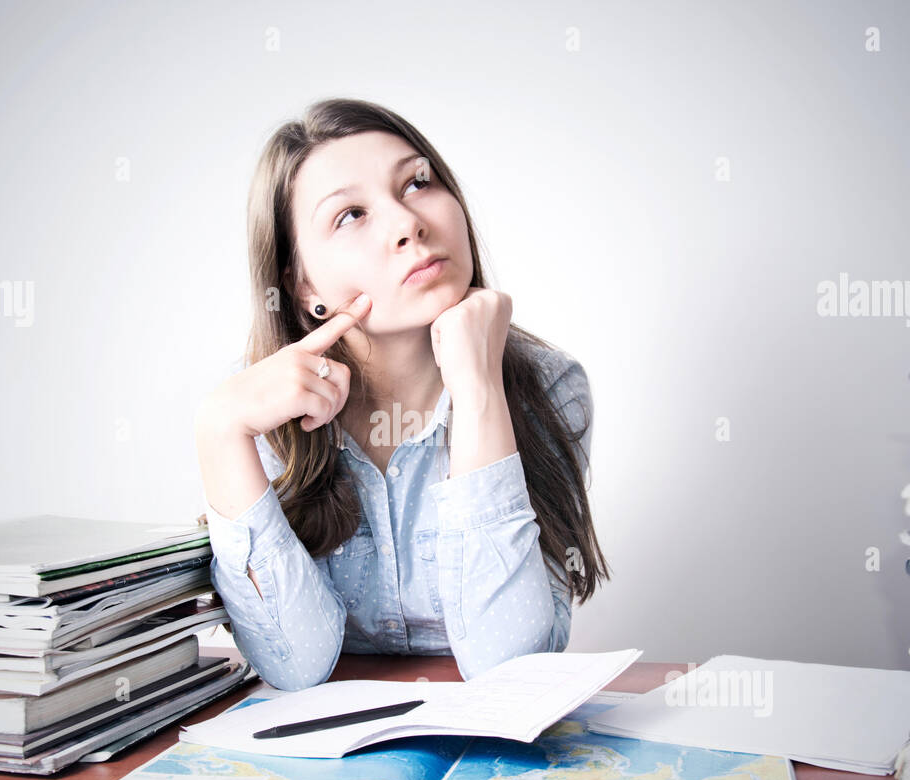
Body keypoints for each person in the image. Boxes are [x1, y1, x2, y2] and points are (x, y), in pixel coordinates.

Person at [194, 98, 609, 691]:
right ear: (303, 283)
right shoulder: (260, 411)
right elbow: (294, 665)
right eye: (350, 215)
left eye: (417, 183)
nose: (407, 224)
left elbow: (508, 666)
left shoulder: (550, 387)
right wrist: (219, 431)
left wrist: (480, 392)